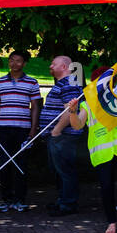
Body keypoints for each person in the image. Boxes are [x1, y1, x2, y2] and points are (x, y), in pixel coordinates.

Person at [61, 59, 117, 233]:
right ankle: (112, 222)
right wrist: (72, 111)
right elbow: (77, 125)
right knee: (107, 187)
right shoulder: (89, 103)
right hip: (103, 152)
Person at [0, 49, 41, 213]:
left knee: (20, 165)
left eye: (18, 61)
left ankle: (20, 199)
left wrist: (33, 129)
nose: (14, 63)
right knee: (4, 164)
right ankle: (5, 199)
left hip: (23, 129)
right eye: (11, 60)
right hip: (3, 129)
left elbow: (35, 108)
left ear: (24, 63)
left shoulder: (32, 82)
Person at [42, 55, 84, 216]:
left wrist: (56, 130)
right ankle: (63, 200)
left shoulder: (69, 84)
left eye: (54, 64)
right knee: (59, 171)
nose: (50, 66)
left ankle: (68, 204)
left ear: (65, 67)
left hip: (63, 136)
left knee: (65, 171)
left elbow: (70, 109)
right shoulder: (65, 83)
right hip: (59, 136)